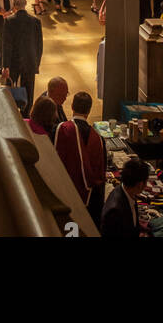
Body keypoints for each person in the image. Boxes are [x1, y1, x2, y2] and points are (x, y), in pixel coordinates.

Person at [55, 90, 107, 225]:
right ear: (89, 111)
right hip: (90, 203)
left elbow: (56, 162)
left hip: (66, 197)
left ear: (72, 106)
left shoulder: (63, 129)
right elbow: (101, 174)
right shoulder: (99, 139)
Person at [1, 0, 43, 116]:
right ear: (25, 4)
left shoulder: (9, 21)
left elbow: (6, 45)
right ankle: (26, 115)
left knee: (10, 90)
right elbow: (39, 45)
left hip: (13, 62)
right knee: (29, 91)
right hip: (30, 61)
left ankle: (12, 114)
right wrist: (37, 62)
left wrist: (5, 66)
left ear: (14, 5)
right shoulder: (35, 21)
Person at [100, 157, 150, 237]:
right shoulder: (115, 211)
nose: (146, 185)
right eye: (146, 181)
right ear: (140, 184)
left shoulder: (126, 192)